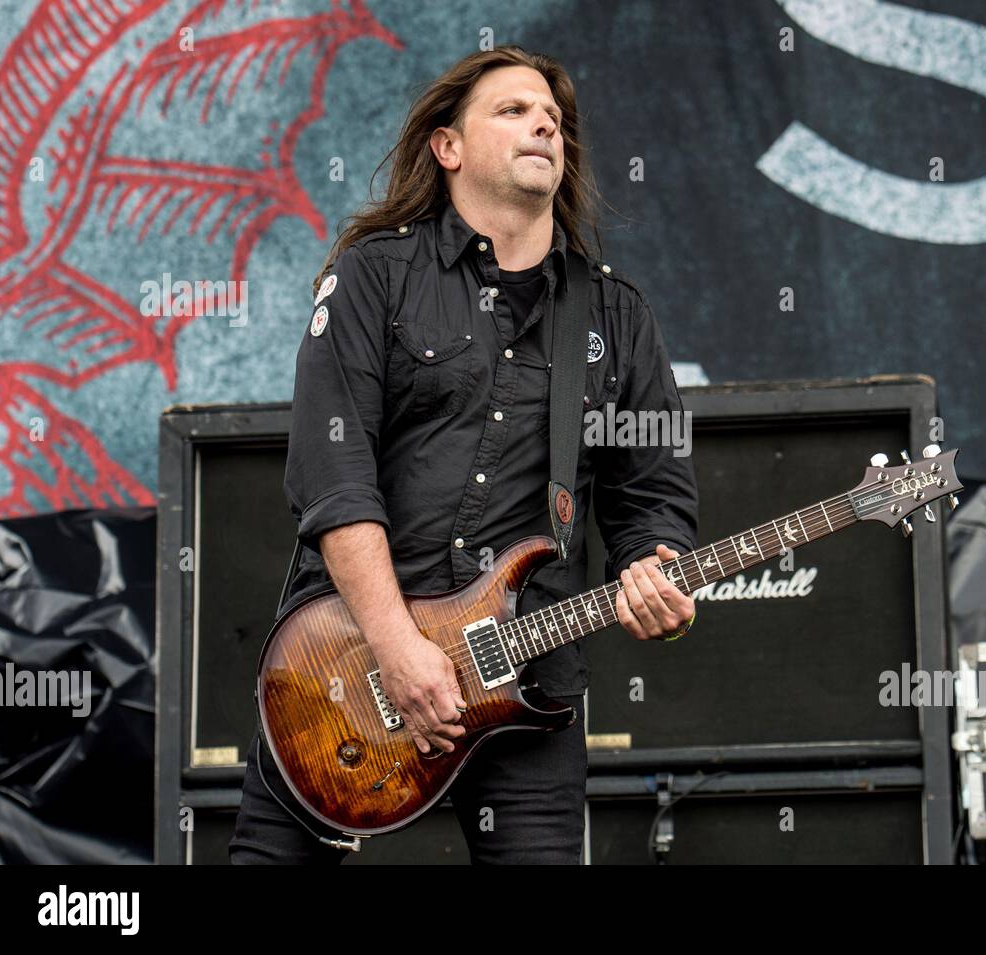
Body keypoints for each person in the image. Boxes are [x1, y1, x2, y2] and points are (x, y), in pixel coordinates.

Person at [229, 45, 698, 864]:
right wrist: (397, 645)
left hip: (528, 685)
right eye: (512, 110)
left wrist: (659, 567)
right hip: (338, 666)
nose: (543, 123)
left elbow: (648, 492)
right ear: (448, 148)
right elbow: (333, 481)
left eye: (553, 118)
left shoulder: (615, 316)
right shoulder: (375, 275)